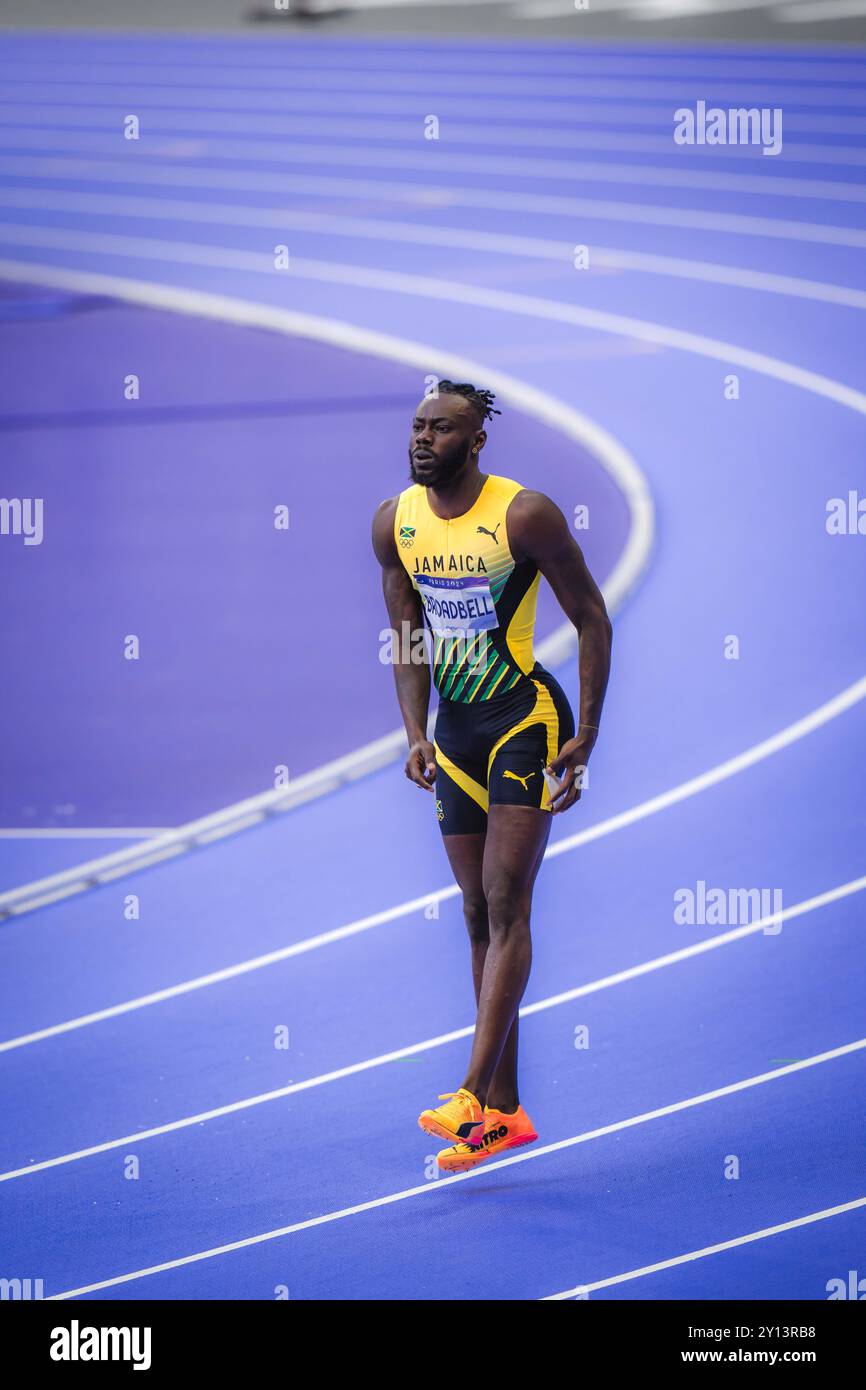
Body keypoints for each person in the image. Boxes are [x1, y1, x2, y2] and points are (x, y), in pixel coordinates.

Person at [371, 380, 612, 1170]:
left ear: (477, 442)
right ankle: (504, 1113)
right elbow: (407, 636)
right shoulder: (395, 523)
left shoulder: (523, 515)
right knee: (475, 911)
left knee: (509, 901)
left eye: (441, 429)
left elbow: (591, 617)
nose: (422, 439)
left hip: (522, 720)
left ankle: (471, 1091)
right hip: (456, 732)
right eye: (417, 426)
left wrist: (587, 730)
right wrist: (415, 732)